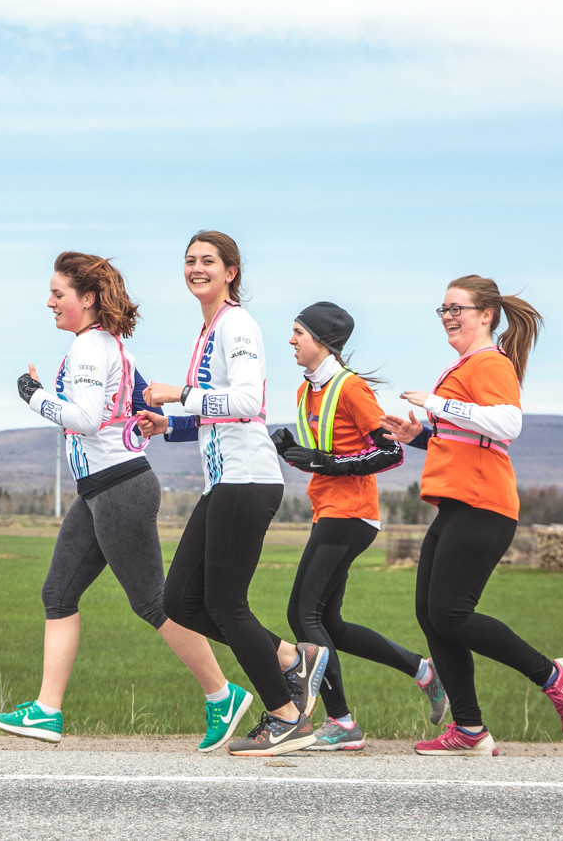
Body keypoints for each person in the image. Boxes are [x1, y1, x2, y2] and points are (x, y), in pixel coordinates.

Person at [0, 251, 255, 752]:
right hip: (101, 490)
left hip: (118, 490)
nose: (49, 302)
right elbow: (134, 404)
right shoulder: (106, 346)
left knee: (153, 601)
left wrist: (32, 394)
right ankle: (46, 711)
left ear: (86, 299)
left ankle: (223, 694)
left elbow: (85, 417)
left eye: (57, 294)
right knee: (58, 594)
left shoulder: (91, 348)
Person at [135, 231, 329, 757]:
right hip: (223, 481)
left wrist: (178, 392)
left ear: (231, 272)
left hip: (247, 479)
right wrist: (169, 424)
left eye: (208, 261)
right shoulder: (209, 328)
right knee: (181, 601)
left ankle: (287, 716)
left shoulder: (237, 325)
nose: (197, 268)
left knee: (224, 602)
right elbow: (213, 414)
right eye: (190, 261)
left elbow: (246, 400)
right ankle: (293, 659)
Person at [379, 275, 563, 756]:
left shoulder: (490, 363)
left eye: (458, 309)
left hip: (483, 506)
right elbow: (472, 438)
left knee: (451, 613)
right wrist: (420, 436)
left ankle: (554, 675)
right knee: (432, 616)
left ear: (486, 314)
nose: (449, 317)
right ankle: (469, 731)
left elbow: (508, 422)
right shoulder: (466, 365)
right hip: (458, 503)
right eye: (443, 310)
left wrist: (436, 404)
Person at [266, 301, 450, 751]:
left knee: (301, 614)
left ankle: (343, 722)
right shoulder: (306, 391)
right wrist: (291, 450)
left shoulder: (350, 389)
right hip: (327, 511)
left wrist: (326, 462)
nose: (290, 340)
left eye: (298, 333)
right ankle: (423, 671)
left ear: (323, 341)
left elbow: (390, 453)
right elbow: (323, 456)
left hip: (349, 515)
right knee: (331, 623)